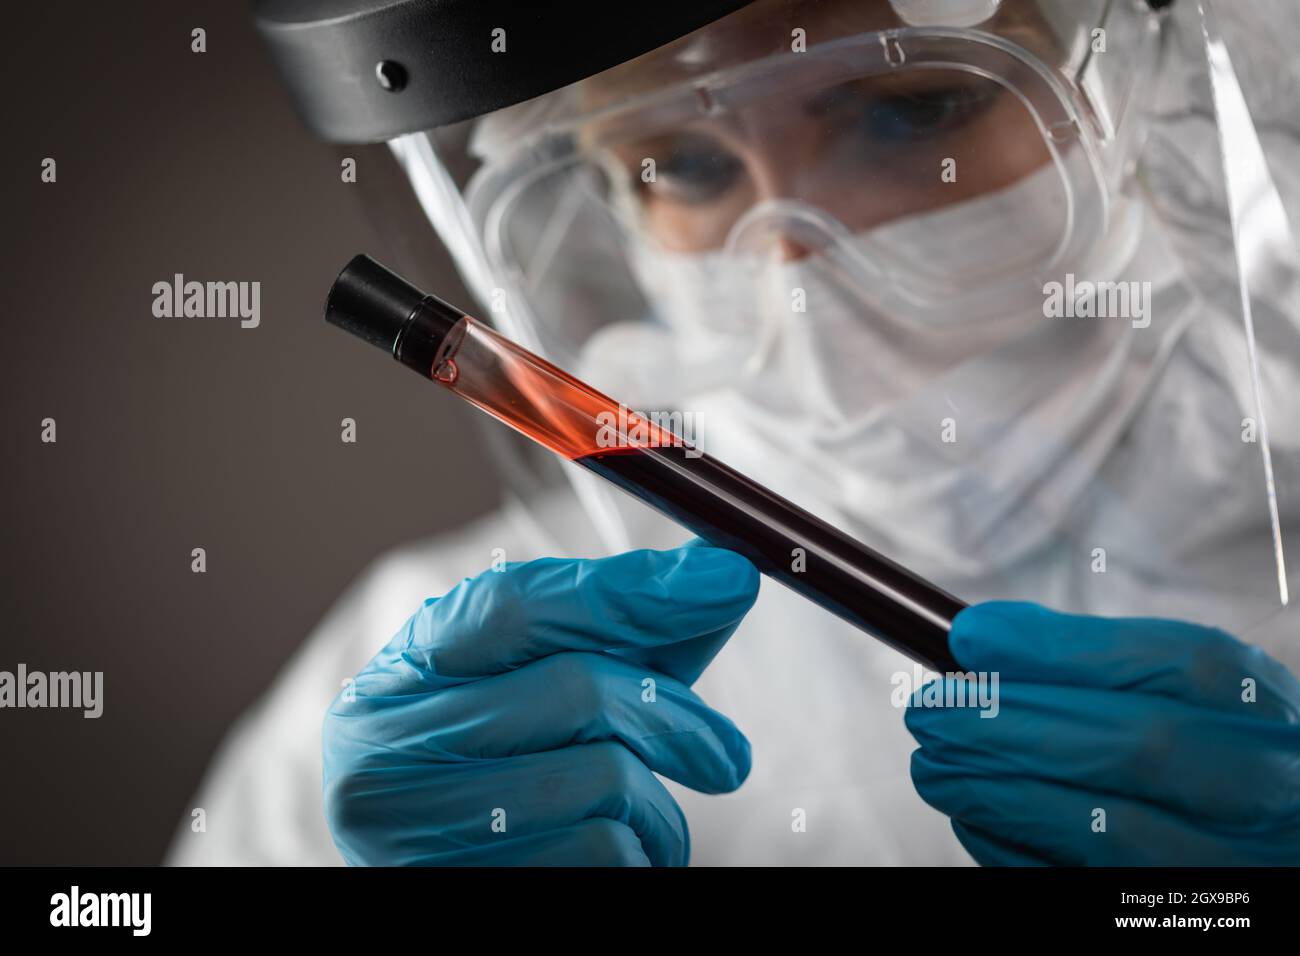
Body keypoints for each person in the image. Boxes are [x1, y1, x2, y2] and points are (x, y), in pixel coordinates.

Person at [170, 0, 1300, 865]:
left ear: (1162, 92)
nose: (794, 264)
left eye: (916, 107)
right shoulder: (452, 692)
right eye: (686, 165)